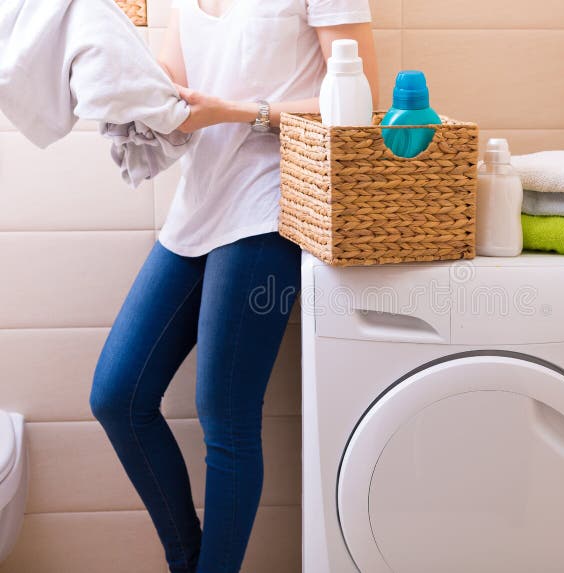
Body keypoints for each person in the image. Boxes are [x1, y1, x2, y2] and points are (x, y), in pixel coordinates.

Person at [89, 1, 379, 572]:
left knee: (225, 413)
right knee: (117, 396)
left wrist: (236, 112)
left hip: (268, 204)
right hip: (199, 204)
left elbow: (362, 101)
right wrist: (122, 85)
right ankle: (190, 562)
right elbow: (173, 80)